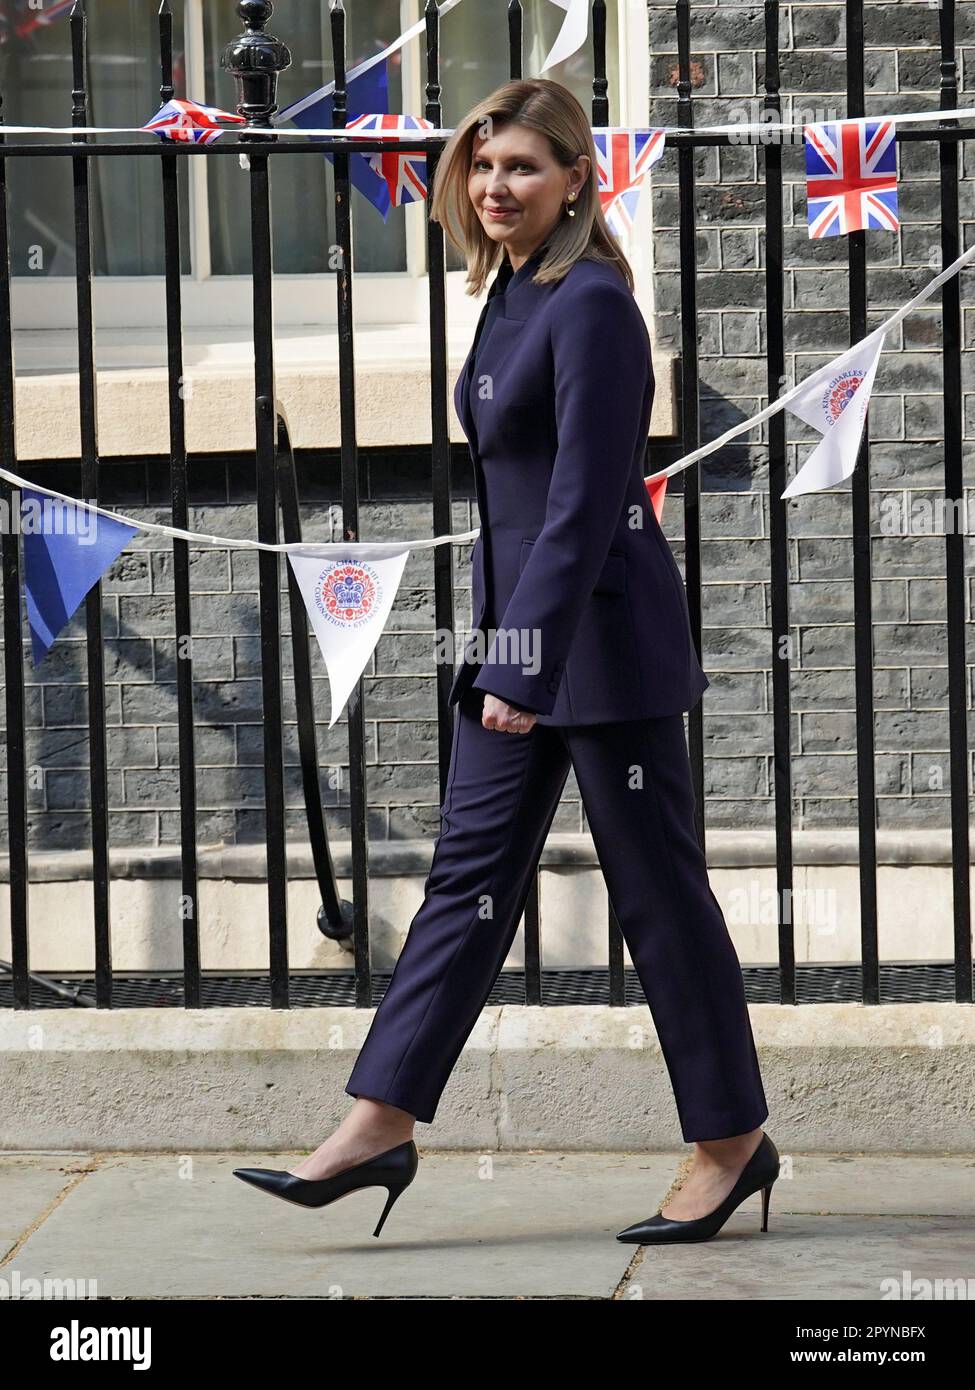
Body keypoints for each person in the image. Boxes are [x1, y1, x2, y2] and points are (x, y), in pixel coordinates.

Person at [234, 79, 779, 1244]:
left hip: (599, 650)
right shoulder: (511, 298)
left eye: (525, 167)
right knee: (464, 885)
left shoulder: (590, 306)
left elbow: (584, 506)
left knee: (658, 899)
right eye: (482, 168)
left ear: (579, 178)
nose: (495, 188)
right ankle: (379, 1121)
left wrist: (520, 673)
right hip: (518, 646)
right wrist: (504, 657)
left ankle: (731, 1142)